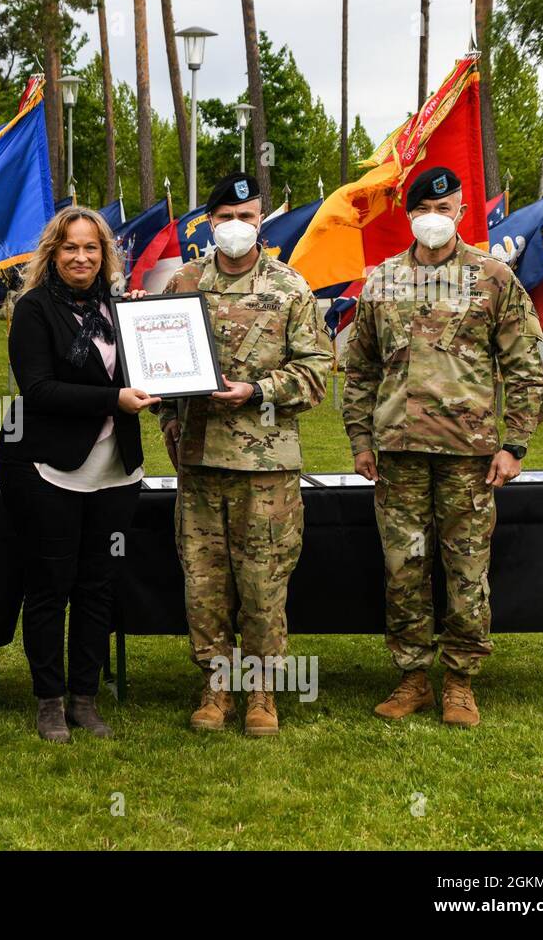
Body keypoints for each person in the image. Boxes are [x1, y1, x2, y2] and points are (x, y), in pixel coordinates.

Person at [342, 166, 543, 728]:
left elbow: (526, 368)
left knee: (465, 568)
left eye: (449, 208)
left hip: (470, 458)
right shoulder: (382, 280)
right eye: (427, 210)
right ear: (411, 215)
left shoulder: (494, 277)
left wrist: (516, 446)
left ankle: (459, 680)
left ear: (461, 212)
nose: (437, 218)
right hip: (397, 454)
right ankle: (412, 677)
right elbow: (358, 369)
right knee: (403, 567)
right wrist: (361, 438)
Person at [156, 172, 331, 737]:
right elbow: (156, 358)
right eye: (227, 218)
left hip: (267, 467)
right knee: (203, 581)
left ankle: (261, 692)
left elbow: (316, 374)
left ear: (262, 222)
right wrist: (167, 419)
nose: (238, 227)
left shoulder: (290, 288)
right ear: (209, 222)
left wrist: (257, 391)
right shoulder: (183, 282)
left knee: (263, 581)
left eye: (249, 217)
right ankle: (215, 685)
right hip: (201, 461)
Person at [0, 206, 153, 743]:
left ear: (105, 253)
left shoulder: (121, 309)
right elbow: (38, 390)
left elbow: (150, 372)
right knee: (49, 586)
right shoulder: (34, 309)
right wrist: (115, 398)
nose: (81, 256)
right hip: (50, 467)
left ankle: (85, 698)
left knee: (98, 586)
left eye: (91, 247)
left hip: (116, 469)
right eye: (70, 247)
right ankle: (49, 700)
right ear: (53, 253)